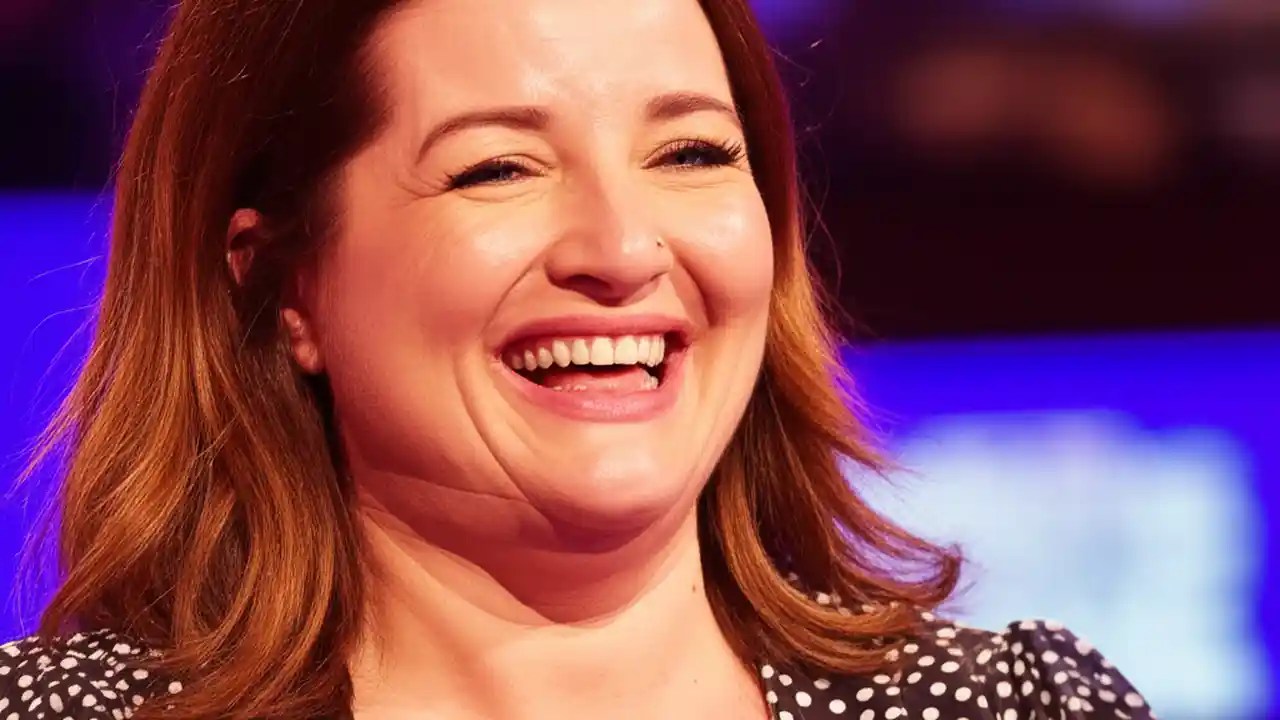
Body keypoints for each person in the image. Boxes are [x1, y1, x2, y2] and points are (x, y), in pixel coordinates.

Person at [0, 0, 1157, 718]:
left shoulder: (1019, 708)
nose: (620, 249)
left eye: (691, 153)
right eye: (496, 168)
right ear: (281, 284)